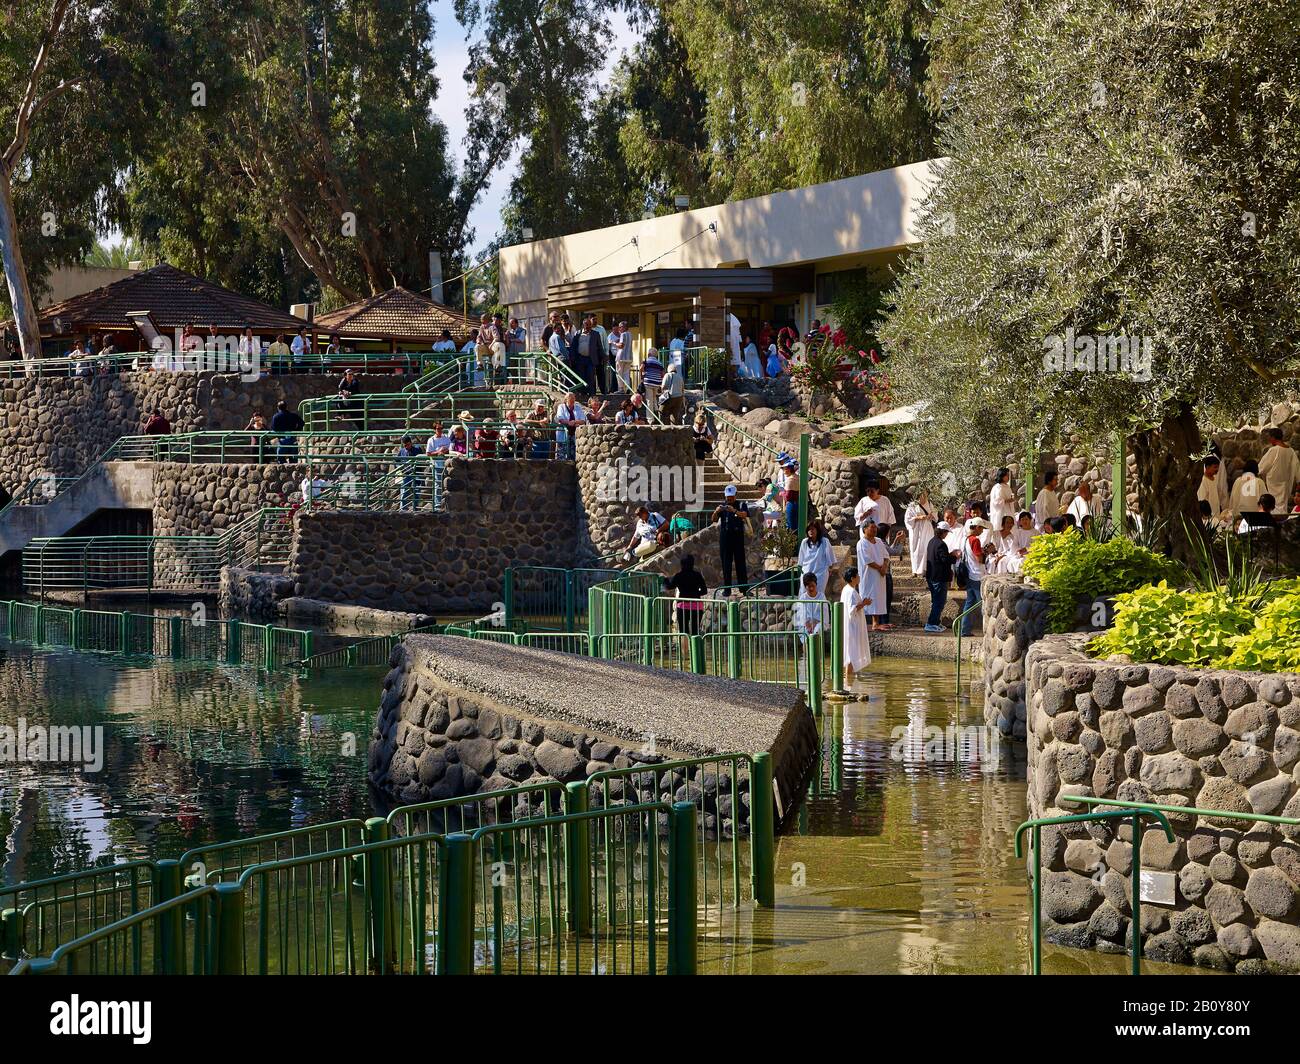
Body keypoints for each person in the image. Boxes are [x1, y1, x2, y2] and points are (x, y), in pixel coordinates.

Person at [839, 565, 872, 687]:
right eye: (857, 576)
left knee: (850, 652)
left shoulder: (846, 589)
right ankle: (849, 682)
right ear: (853, 578)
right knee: (851, 653)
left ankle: (848, 680)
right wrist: (864, 603)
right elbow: (852, 609)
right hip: (852, 626)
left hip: (850, 624)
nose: (859, 577)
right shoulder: (851, 591)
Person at [712, 485, 750, 589]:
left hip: (737, 536)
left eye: (731, 497)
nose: (729, 499)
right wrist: (716, 512)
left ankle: (743, 588)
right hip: (725, 537)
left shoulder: (741, 504)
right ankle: (727, 589)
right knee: (726, 563)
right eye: (728, 497)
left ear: (736, 495)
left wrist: (734, 511)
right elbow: (714, 520)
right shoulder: (722, 506)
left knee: (740, 563)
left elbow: (744, 515)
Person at [856, 519, 890, 631]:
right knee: (868, 596)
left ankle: (876, 623)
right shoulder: (862, 543)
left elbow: (886, 556)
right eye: (872, 527)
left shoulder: (879, 541)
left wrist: (884, 567)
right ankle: (863, 624)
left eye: (875, 527)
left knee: (878, 597)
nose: (875, 529)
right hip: (868, 575)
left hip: (880, 575)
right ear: (865, 529)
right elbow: (868, 560)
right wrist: (880, 568)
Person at [924, 522, 957, 632]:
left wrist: (949, 555)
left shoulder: (931, 542)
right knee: (939, 601)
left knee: (936, 601)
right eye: (946, 532)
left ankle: (936, 622)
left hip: (931, 576)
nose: (946, 534)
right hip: (939, 577)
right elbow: (944, 560)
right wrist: (954, 557)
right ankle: (931, 623)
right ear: (943, 532)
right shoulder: (941, 544)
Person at [664, 553, 708, 635]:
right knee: (695, 632)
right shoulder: (697, 575)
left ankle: (684, 647)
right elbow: (704, 591)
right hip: (696, 606)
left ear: (681, 564)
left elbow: (669, 587)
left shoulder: (679, 576)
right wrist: (694, 593)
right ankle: (696, 647)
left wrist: (665, 580)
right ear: (692, 563)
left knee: (684, 632)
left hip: (683, 606)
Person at [1258, 428, 1300, 516]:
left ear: (1273, 437)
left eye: (1270, 437)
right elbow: (1297, 469)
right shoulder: (1291, 451)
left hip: (1273, 485)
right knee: (1282, 508)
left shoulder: (1274, 450)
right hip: (1285, 485)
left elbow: (1261, 467)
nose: (1269, 440)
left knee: (1273, 507)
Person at [904, 490, 937, 577]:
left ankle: (925, 570)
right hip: (916, 530)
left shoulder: (930, 504)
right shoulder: (912, 505)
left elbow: (935, 516)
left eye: (925, 494)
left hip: (927, 528)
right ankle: (915, 570)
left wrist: (931, 516)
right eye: (921, 494)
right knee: (916, 549)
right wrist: (918, 517)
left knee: (927, 548)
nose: (923, 496)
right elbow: (907, 519)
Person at [798, 519, 835, 596]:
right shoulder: (804, 542)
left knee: (819, 595)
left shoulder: (825, 541)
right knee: (804, 594)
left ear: (817, 530)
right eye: (809, 529)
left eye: (813, 529)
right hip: (806, 574)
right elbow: (801, 560)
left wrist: (830, 569)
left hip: (820, 574)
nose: (811, 531)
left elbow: (830, 559)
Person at [569, 318, 602, 395]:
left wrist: (603, 357)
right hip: (580, 359)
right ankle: (583, 393)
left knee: (591, 376)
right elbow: (573, 346)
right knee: (581, 376)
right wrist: (572, 358)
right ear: (583, 325)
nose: (588, 326)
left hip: (591, 359)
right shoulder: (578, 334)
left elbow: (600, 347)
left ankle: (591, 394)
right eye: (586, 324)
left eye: (589, 324)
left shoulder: (595, 334)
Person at [1197, 455, 1231, 529]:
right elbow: (1202, 500)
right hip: (1208, 516)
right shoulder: (1203, 481)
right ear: (1207, 467)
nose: (1217, 469)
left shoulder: (1214, 479)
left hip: (1216, 513)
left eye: (1218, 467)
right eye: (1215, 467)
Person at [554, 391, 586, 459]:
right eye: (570, 398)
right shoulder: (561, 407)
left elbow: (583, 420)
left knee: (573, 455)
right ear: (566, 399)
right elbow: (560, 418)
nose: (572, 400)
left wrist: (574, 422)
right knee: (561, 454)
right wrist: (568, 422)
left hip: (574, 434)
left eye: (573, 398)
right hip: (563, 433)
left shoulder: (578, 407)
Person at [397, 435, 421, 510]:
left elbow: (422, 460)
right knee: (405, 491)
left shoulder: (417, 449)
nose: (406, 447)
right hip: (406, 474)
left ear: (410, 443)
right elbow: (396, 461)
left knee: (416, 491)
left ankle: (415, 508)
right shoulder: (402, 451)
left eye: (407, 445)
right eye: (404, 445)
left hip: (416, 473)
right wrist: (400, 468)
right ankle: (403, 508)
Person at [659, 357, 686, 424]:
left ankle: (664, 427)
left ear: (669, 369)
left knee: (661, 411)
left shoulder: (668, 375)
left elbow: (663, 386)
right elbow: (682, 389)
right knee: (674, 414)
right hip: (679, 398)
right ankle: (674, 430)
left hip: (671, 397)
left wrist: (660, 388)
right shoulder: (680, 377)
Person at [989, 468, 1016, 534]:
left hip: (1009, 512)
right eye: (1006, 475)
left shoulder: (1007, 486)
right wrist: (1007, 500)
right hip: (1001, 514)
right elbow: (996, 502)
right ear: (1002, 476)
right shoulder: (998, 487)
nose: (1008, 477)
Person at [608, 321, 632, 391]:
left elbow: (621, 345)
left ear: (624, 327)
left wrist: (614, 343)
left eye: (620, 327)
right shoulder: (630, 334)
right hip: (629, 357)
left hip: (621, 357)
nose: (619, 329)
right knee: (626, 373)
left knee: (619, 373)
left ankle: (621, 389)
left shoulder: (623, 334)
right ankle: (628, 388)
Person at [641, 348, 664, 417]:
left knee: (649, 401)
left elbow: (640, 368)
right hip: (656, 383)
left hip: (648, 382)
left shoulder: (646, 361)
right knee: (654, 398)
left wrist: (642, 376)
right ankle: (657, 411)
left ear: (648, 354)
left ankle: (650, 419)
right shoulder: (659, 363)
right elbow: (662, 374)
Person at [779, 458, 801, 530]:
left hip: (791, 504)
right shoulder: (798, 477)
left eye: (784, 469)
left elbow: (788, 496)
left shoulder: (790, 479)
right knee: (797, 525)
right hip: (798, 503)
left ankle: (793, 541)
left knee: (791, 526)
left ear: (788, 469)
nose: (783, 471)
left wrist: (782, 493)